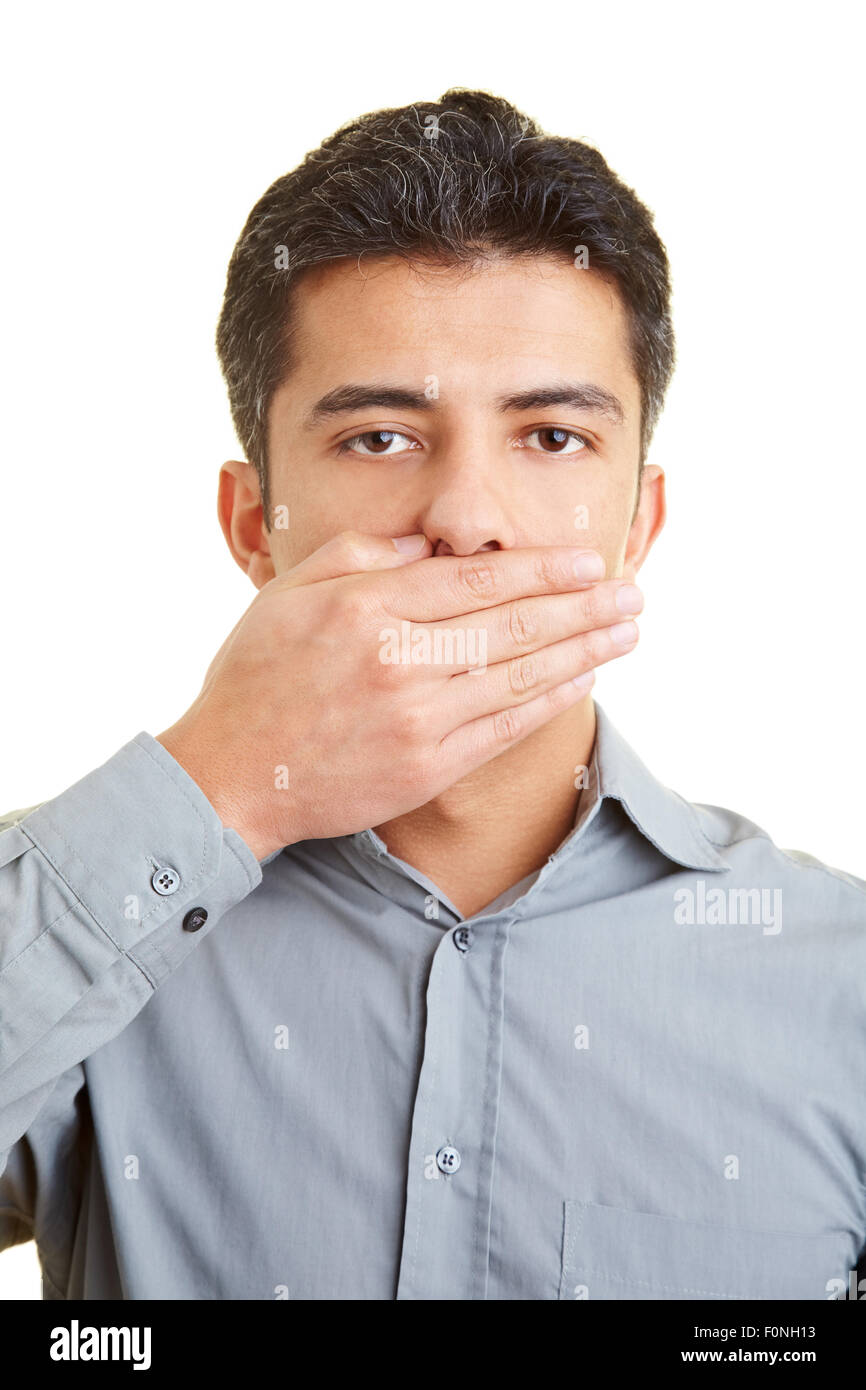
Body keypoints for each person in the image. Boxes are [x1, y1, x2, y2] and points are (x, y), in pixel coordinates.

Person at [1, 88, 864, 1302]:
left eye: (552, 437)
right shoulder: (71, 916)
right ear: (255, 523)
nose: (463, 520)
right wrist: (221, 783)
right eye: (378, 439)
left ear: (638, 523)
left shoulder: (841, 982)